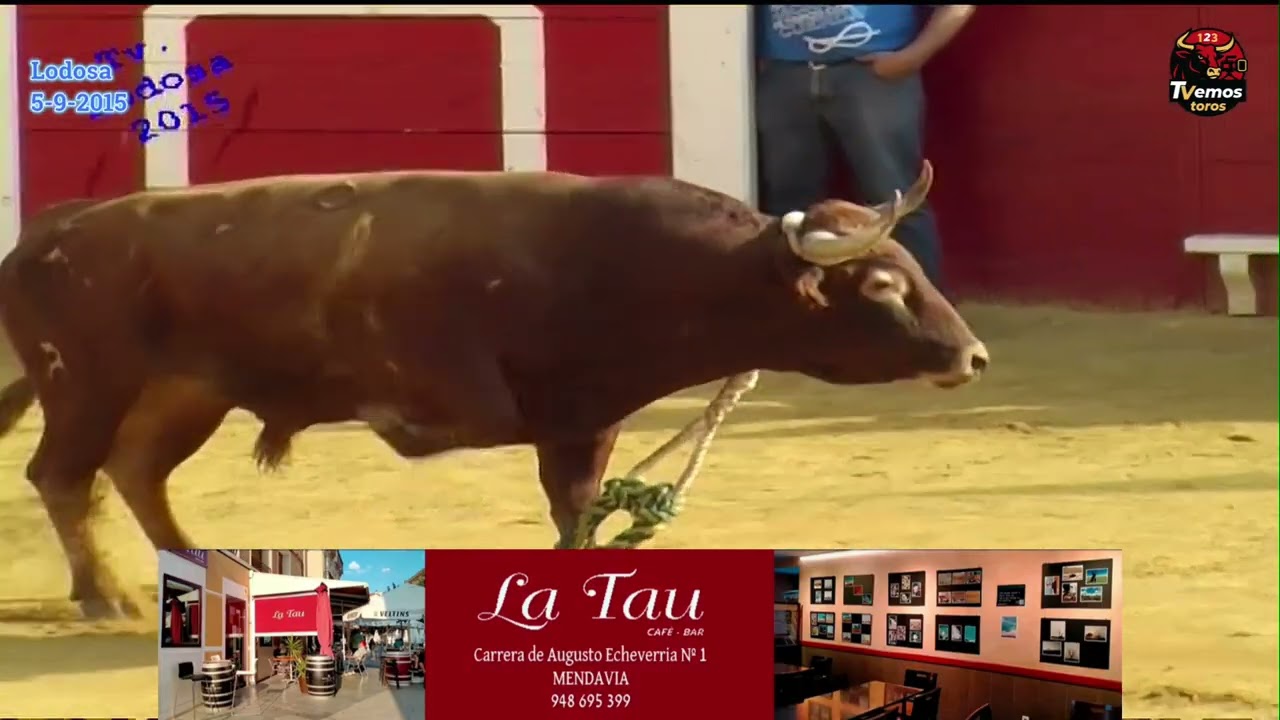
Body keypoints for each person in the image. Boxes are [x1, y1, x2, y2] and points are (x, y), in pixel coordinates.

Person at [755, 5, 976, 288]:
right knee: (787, 210)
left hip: (873, 75)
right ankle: (793, 315)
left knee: (896, 200)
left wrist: (912, 57)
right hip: (785, 75)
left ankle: (925, 315)